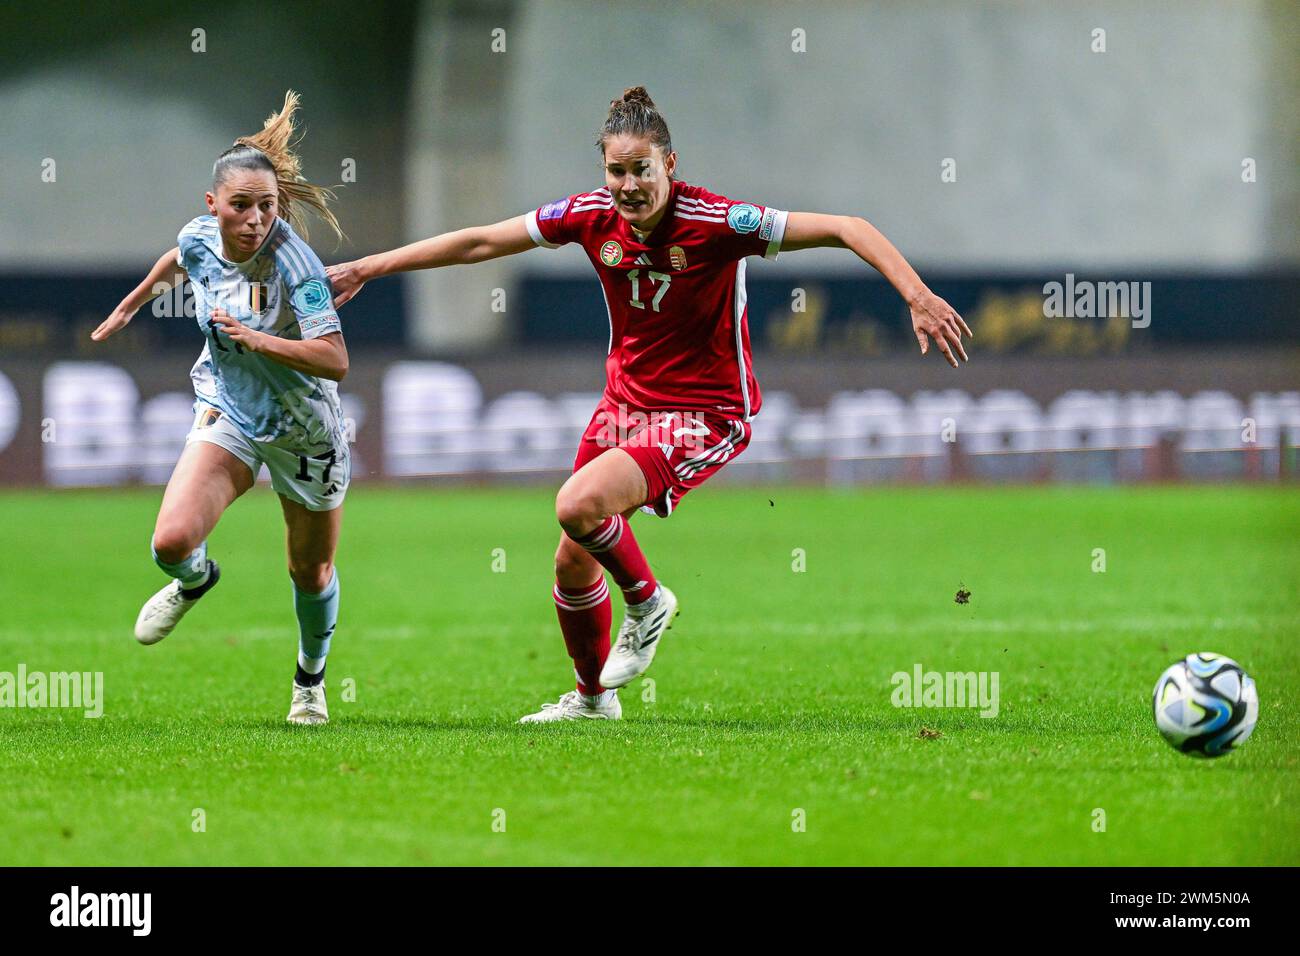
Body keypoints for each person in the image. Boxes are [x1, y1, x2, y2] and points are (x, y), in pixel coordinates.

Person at [326, 86, 970, 722]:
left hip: (705, 412)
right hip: (623, 405)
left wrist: (916, 295)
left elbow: (844, 227)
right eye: (616, 170)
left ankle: (647, 600)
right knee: (572, 560)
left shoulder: (719, 223)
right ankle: (592, 701)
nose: (628, 184)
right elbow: (481, 243)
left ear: (671, 164)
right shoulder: (589, 215)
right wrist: (368, 268)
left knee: (577, 506)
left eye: (642, 169)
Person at [92, 91, 351, 725]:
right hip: (231, 411)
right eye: (241, 206)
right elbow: (176, 259)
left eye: (266, 206)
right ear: (213, 206)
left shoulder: (297, 263)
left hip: (303, 432)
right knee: (171, 542)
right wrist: (133, 304)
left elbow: (335, 358)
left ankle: (309, 682)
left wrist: (257, 338)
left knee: (310, 569)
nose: (256, 219)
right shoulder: (200, 237)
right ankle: (196, 579)